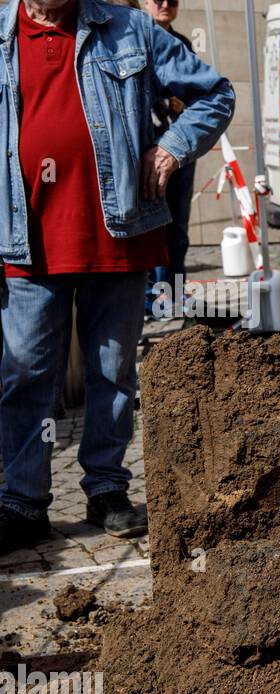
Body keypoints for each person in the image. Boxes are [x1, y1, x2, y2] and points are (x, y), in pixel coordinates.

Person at [0, 0, 234, 552]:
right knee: (26, 375)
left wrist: (173, 148)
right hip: (24, 240)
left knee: (112, 373)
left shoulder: (129, 29)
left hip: (118, 233)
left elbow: (216, 93)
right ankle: (22, 501)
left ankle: (106, 489)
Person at [140, 0, 196, 319]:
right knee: (151, 227)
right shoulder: (136, 39)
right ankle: (150, 297)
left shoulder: (182, 44)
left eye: (172, 1)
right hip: (147, 149)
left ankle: (173, 292)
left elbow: (196, 93)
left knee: (178, 228)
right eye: (158, 0)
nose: (165, 5)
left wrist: (179, 101)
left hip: (178, 150)